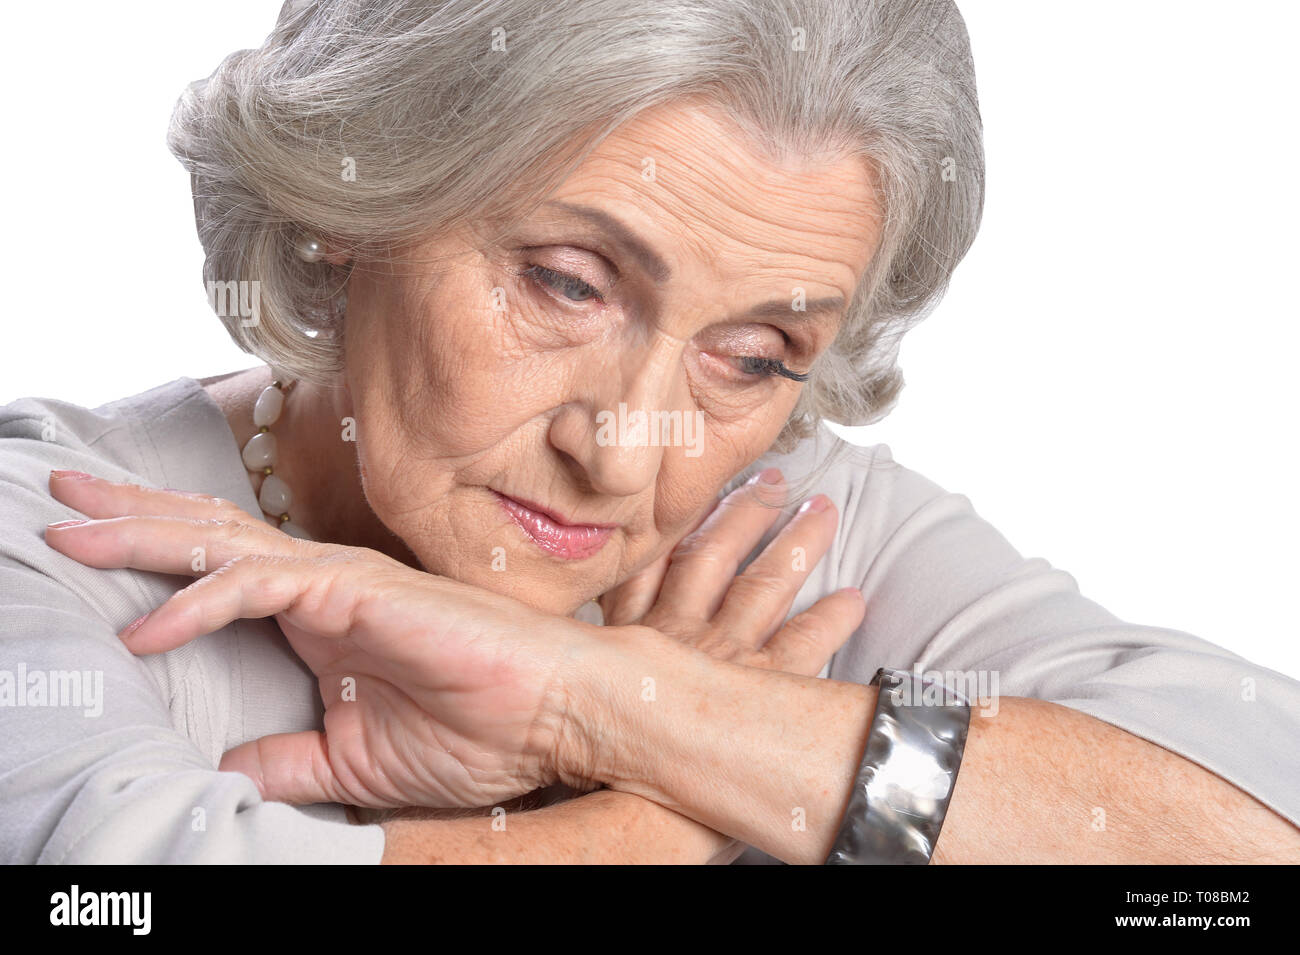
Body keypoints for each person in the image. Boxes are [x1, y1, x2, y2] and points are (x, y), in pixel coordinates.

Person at [2, 0, 1298, 864]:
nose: (625, 456)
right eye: (567, 284)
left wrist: (607, 705)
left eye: (751, 356)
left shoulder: (795, 539)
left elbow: (1245, 839)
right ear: (354, 196)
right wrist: (661, 816)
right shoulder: (52, 528)